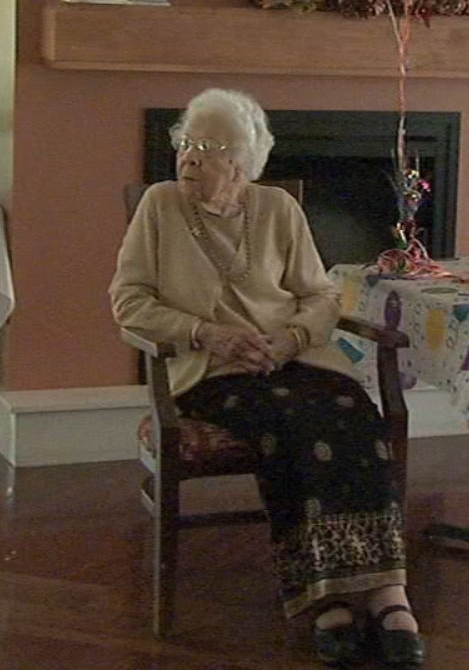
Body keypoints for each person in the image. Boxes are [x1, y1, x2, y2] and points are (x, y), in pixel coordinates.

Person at [111, 88, 424, 667]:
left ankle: (387, 590)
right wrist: (207, 333)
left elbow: (320, 295)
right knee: (292, 424)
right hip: (212, 371)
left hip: (291, 359)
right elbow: (128, 302)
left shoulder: (278, 208)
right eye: (185, 143)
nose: (188, 158)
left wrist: (292, 338)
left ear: (243, 161)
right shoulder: (160, 207)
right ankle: (324, 600)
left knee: (352, 406)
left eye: (207, 148)